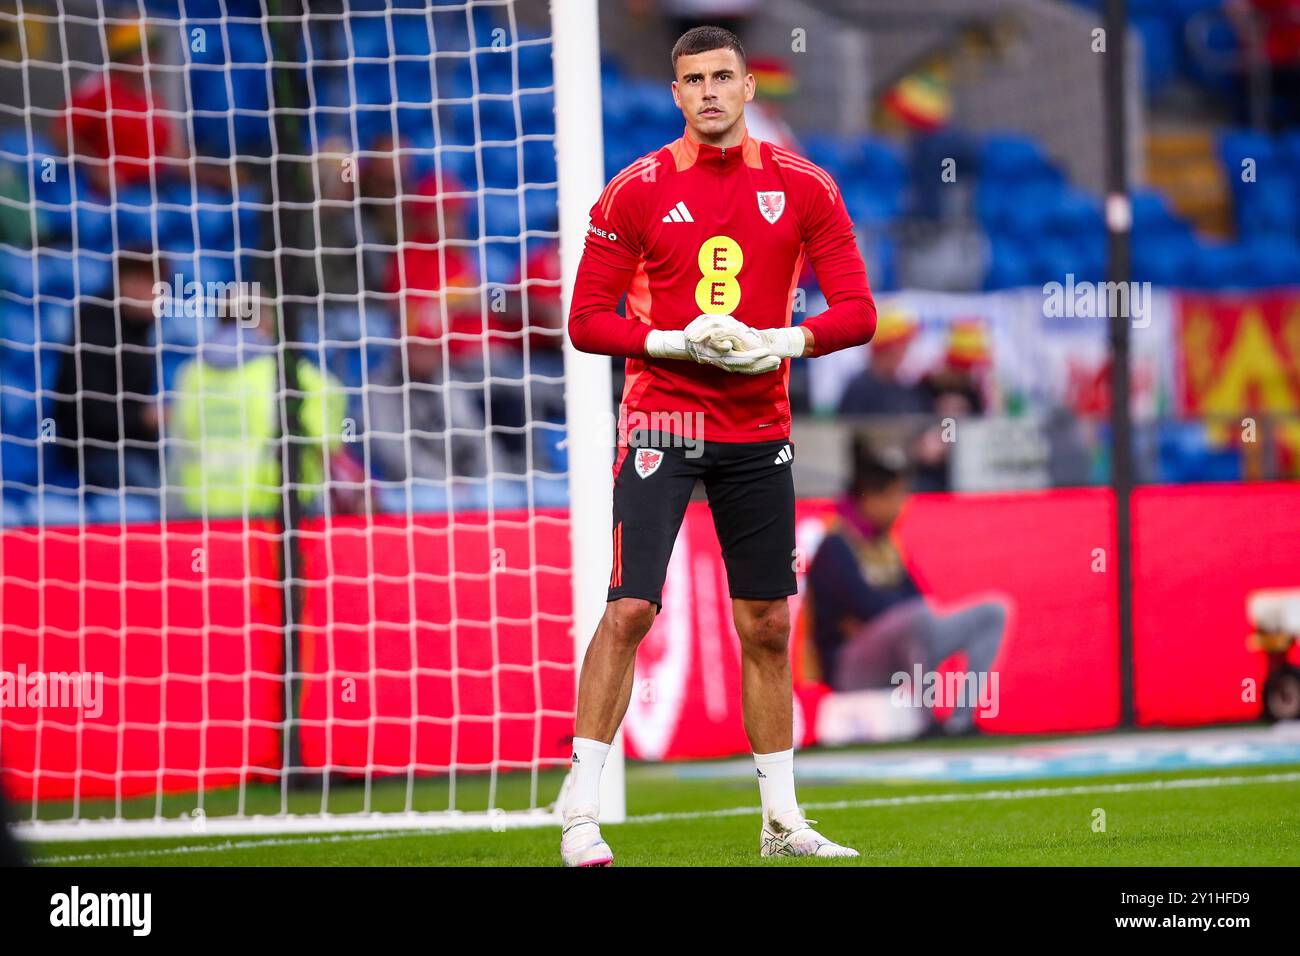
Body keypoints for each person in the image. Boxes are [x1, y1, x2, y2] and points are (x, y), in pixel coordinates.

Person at [561, 25, 876, 865]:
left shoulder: (804, 186)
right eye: (693, 79)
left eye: (721, 76)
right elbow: (585, 320)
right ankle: (580, 810)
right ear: (676, 94)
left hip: (758, 426)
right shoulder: (635, 190)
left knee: (768, 623)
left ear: (747, 87)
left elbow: (857, 311)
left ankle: (781, 822)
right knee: (631, 607)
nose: (708, 91)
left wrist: (783, 342)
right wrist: (672, 342)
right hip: (664, 419)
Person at [805, 442, 1006, 736]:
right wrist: (900, 610)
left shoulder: (886, 544)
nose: (902, 507)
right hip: (850, 666)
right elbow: (869, 606)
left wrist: (901, 610)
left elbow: (919, 598)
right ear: (871, 499)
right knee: (915, 619)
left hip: (899, 644)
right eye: (896, 497)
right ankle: (927, 721)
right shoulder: (836, 544)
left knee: (991, 613)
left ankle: (961, 721)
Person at [167, 296, 345, 517]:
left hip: (200, 508)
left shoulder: (190, 374)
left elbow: (179, 436)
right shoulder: (288, 374)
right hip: (271, 509)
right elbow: (331, 440)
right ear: (264, 321)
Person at [54, 250, 162, 492]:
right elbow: (87, 412)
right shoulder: (94, 334)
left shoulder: (138, 329)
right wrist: (143, 418)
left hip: (134, 446)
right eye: (154, 288)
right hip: (93, 451)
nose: (159, 298)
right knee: (156, 492)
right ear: (127, 284)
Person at [363, 299, 497, 485]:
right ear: (403, 349)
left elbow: (475, 436)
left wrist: (491, 477)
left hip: (461, 483)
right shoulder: (380, 387)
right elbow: (393, 452)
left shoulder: (448, 381)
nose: (427, 355)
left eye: (432, 348)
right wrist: (444, 478)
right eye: (418, 347)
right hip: (405, 487)